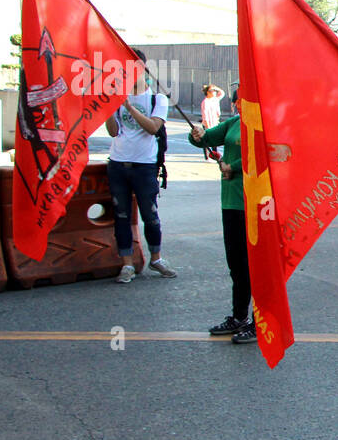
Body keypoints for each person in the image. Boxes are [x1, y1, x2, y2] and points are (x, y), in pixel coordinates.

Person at [105, 49, 176, 283]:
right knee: (121, 214)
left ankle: (156, 258)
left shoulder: (158, 98)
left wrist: (129, 107)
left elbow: (153, 127)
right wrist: (109, 107)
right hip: (118, 163)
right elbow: (114, 131)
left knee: (150, 214)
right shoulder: (118, 97)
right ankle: (127, 264)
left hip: (144, 165)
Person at [188, 89, 254, 343]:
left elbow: (265, 155)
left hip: (253, 203)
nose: (239, 104)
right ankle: (239, 317)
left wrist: (233, 166)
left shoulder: (264, 124)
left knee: (255, 267)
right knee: (236, 264)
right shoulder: (234, 123)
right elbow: (206, 139)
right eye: (238, 100)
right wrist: (197, 135)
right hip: (230, 202)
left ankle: (261, 322)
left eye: (244, 100)